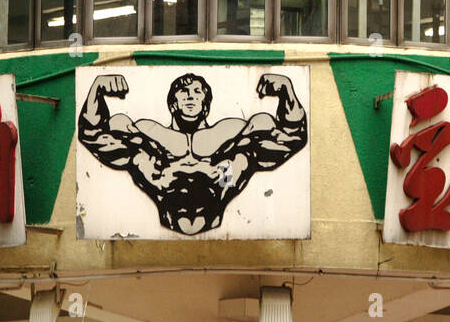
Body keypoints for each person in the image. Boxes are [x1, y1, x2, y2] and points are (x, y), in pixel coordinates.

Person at [78, 71, 307, 235]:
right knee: (125, 131)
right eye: (183, 92)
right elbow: (93, 135)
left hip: (218, 189)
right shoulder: (150, 133)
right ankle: (168, 177)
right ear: (173, 104)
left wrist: (287, 90)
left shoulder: (229, 132)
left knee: (256, 130)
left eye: (197, 92)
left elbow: (291, 137)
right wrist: (96, 90)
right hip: (165, 194)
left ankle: (213, 176)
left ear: (206, 104)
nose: (190, 96)